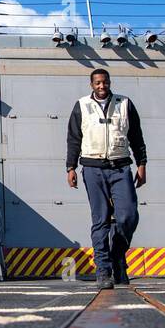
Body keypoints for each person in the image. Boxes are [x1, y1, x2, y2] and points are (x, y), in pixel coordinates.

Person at [66, 68, 147, 289]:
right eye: (98, 83)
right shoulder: (81, 105)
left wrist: (142, 164)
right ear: (91, 85)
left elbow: (136, 137)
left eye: (105, 82)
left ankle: (117, 256)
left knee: (128, 216)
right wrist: (70, 167)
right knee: (100, 219)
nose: (102, 86)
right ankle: (104, 271)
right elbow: (73, 139)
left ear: (110, 82)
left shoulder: (125, 104)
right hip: (93, 168)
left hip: (121, 167)